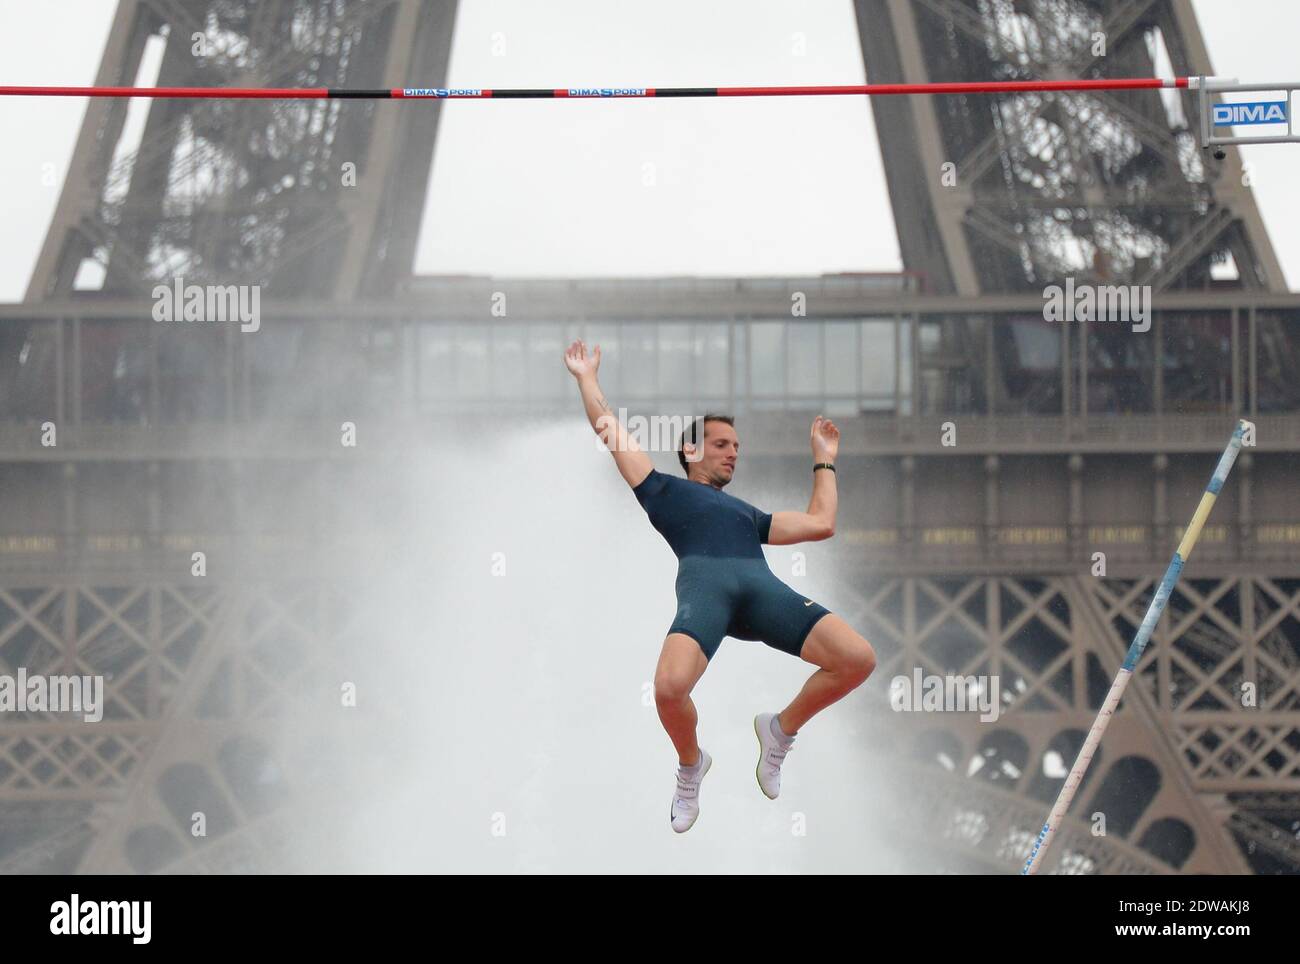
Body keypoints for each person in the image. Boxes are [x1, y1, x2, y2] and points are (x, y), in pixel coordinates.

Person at [564, 339, 877, 832]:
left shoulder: (749, 515)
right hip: (706, 594)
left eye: (737, 447)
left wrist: (824, 459)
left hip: (762, 593)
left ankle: (779, 730)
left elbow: (821, 523)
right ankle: (691, 766)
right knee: (668, 689)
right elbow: (610, 430)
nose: (733, 453)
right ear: (691, 450)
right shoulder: (663, 491)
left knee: (858, 659)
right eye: (722, 444)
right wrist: (587, 378)